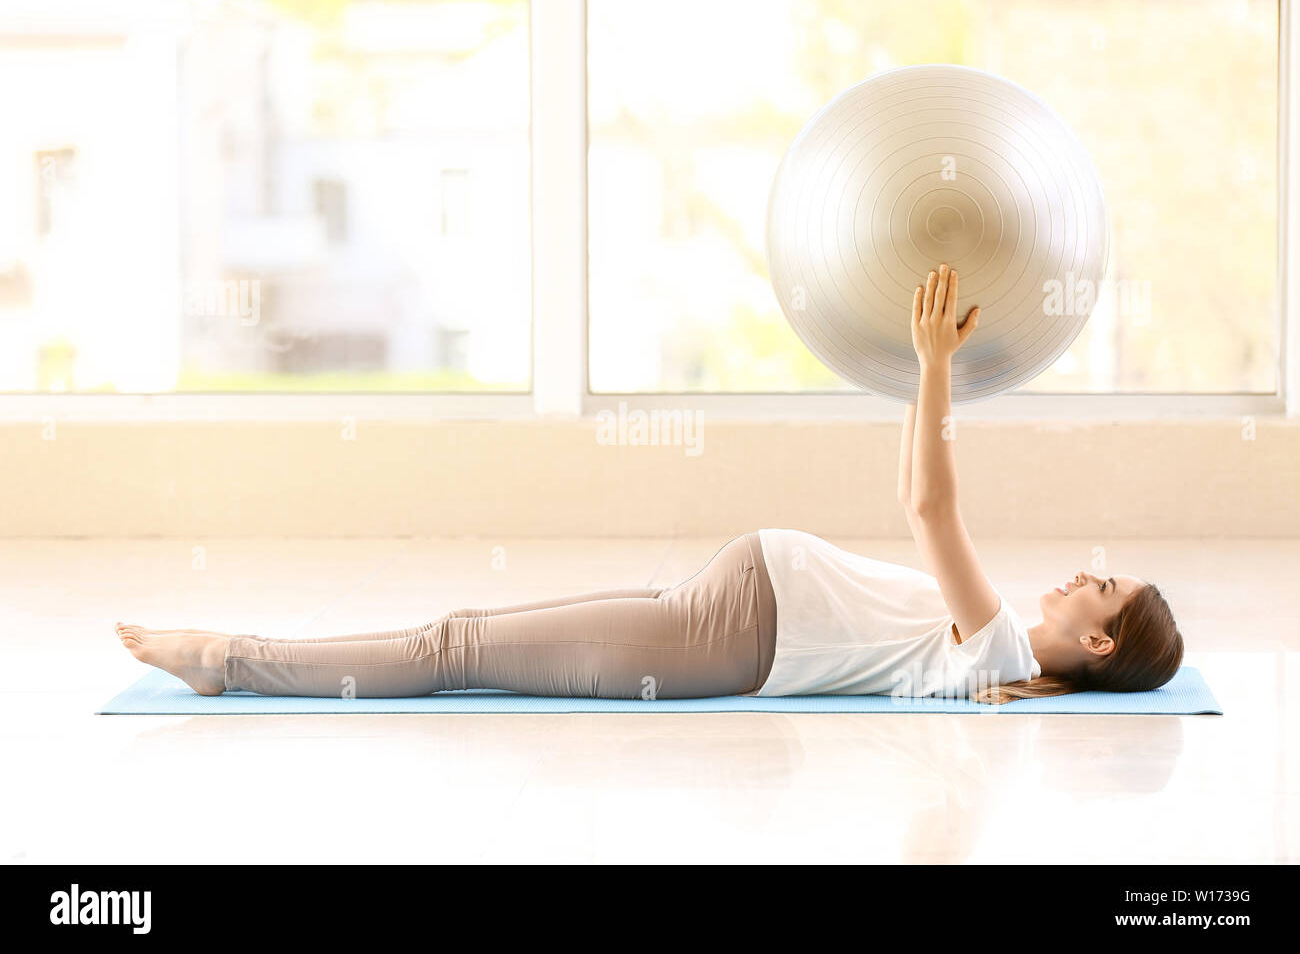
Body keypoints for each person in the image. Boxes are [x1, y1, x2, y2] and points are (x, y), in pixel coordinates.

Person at [118, 264, 1183, 703]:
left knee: (456, 645)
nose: (1087, 573)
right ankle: (235, 653)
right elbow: (920, 492)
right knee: (469, 626)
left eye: (1106, 587)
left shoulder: (998, 646)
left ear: (1097, 640)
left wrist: (939, 366)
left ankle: (228, 658)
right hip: (720, 606)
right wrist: (919, 368)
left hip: (725, 633)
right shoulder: (992, 638)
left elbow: (928, 507)